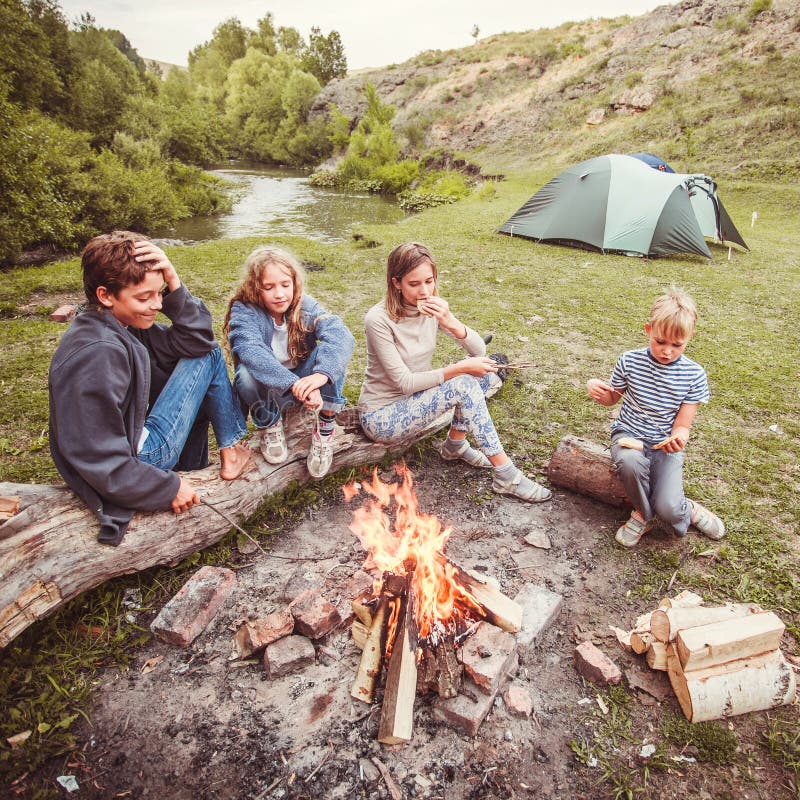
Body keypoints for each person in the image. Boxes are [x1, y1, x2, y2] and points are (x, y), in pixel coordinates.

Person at [49, 232, 251, 547]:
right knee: (210, 356)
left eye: (161, 293)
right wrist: (167, 487)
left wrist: (174, 279)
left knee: (203, 350)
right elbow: (98, 457)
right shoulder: (97, 353)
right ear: (105, 295)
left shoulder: (118, 323)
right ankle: (232, 445)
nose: (157, 305)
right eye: (144, 297)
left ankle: (228, 447)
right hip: (140, 461)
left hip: (134, 443)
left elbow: (196, 339)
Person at [358, 241, 551, 503]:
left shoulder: (431, 308)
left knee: (478, 376)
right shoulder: (378, 320)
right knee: (463, 382)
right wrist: (458, 368)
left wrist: (449, 320)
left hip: (417, 400)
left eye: (430, 281)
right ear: (396, 283)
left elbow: (478, 349)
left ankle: (455, 445)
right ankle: (506, 474)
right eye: (414, 284)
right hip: (382, 416)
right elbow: (404, 383)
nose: (424, 291)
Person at [586, 287, 725, 547]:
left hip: (664, 444)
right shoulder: (629, 360)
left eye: (677, 345)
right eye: (660, 341)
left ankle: (687, 509)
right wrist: (597, 388)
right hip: (628, 433)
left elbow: (683, 425)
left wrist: (678, 439)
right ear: (648, 330)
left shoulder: (694, 375)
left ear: (689, 337)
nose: (667, 351)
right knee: (629, 461)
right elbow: (611, 399)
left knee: (670, 509)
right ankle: (643, 515)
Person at [224, 245, 354, 480]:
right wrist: (296, 385)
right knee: (245, 373)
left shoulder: (305, 305)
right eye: (269, 287)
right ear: (256, 288)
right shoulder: (244, 310)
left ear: (294, 283)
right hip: (270, 389)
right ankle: (269, 423)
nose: (280, 294)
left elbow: (340, 335)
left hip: (305, 384)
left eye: (285, 285)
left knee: (332, 354)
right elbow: (250, 351)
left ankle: (325, 427)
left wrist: (319, 377)